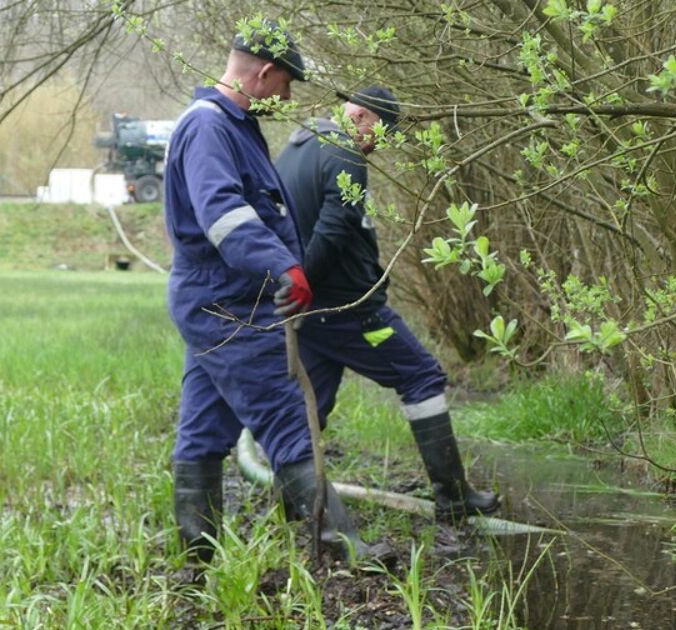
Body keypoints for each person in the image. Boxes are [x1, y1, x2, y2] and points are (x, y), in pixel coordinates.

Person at [166, 24, 395, 567]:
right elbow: (222, 212)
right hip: (228, 305)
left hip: (218, 301)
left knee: (204, 428)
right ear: (264, 73)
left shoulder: (234, 127)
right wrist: (283, 265)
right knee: (288, 419)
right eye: (286, 83)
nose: (287, 97)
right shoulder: (209, 128)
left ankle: (197, 554)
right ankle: (344, 548)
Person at [273, 87, 500, 523]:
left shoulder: (298, 145)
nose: (379, 144)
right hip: (351, 310)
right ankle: (452, 496)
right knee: (421, 374)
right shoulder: (343, 152)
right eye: (382, 132)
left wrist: (299, 286)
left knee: (310, 406)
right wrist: (304, 280)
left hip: (313, 314)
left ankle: (294, 504)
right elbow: (335, 225)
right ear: (361, 116)